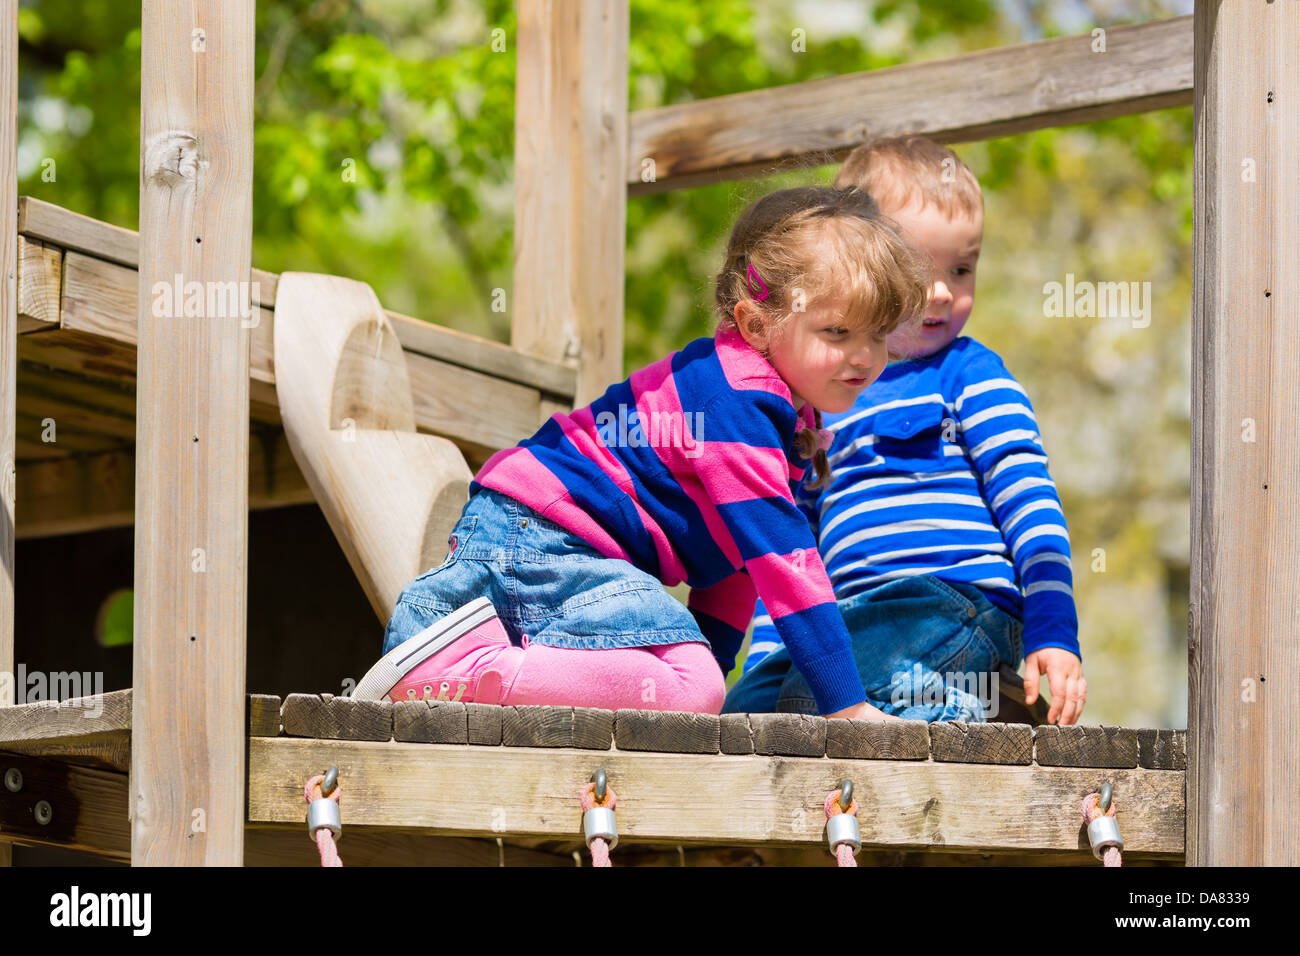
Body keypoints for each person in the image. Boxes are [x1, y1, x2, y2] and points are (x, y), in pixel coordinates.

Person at [353, 185, 931, 718]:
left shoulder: (773, 409)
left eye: (877, 335)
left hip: (552, 544)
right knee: (687, 687)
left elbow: (735, 568)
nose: (864, 357)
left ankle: (490, 664)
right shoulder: (736, 401)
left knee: (690, 688)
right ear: (757, 324)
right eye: (837, 333)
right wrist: (846, 704)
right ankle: (465, 673)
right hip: (541, 540)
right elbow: (784, 565)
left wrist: (712, 686)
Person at [724, 136, 1086, 725]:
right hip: (852, 623)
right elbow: (792, 548)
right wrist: (776, 656)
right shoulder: (822, 398)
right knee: (750, 710)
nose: (943, 291)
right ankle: (951, 707)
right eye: (918, 268)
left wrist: (1054, 629)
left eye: (962, 268)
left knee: (826, 695)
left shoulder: (969, 375)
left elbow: (1029, 500)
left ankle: (976, 720)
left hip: (954, 603)